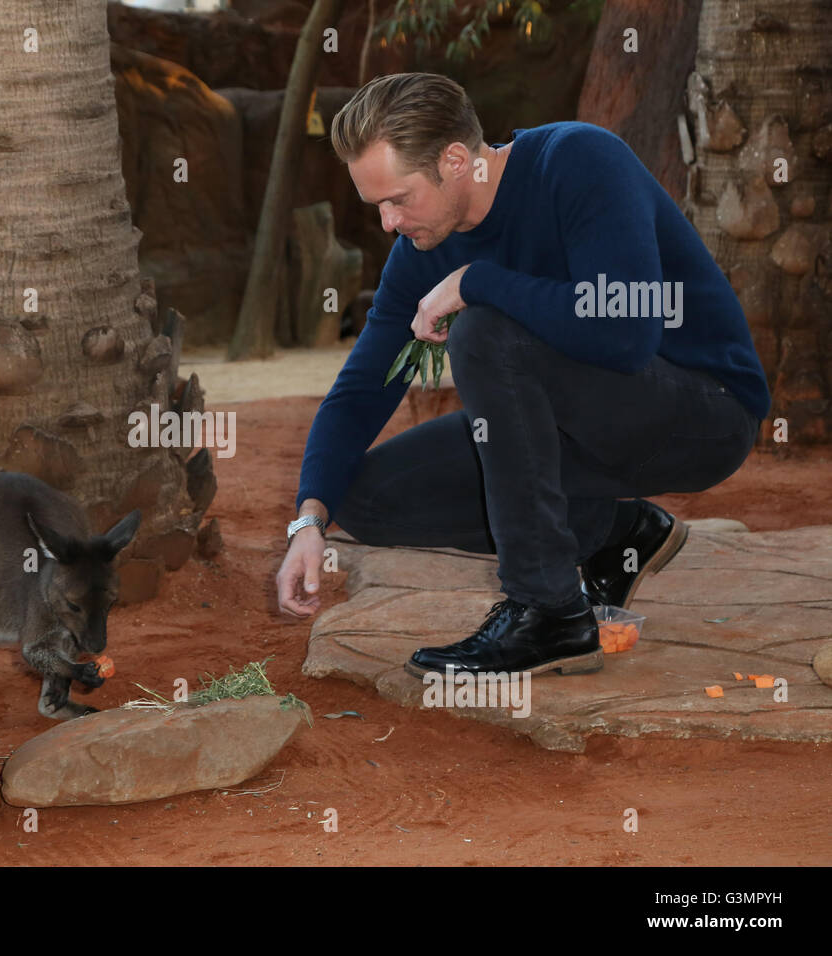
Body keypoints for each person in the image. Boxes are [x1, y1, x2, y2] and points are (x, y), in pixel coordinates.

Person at [275, 73, 769, 678]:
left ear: (455, 160)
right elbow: (360, 389)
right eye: (375, 203)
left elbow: (625, 332)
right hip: (578, 431)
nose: (386, 222)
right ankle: (614, 531)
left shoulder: (579, 161)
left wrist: (475, 281)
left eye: (398, 198)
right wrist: (309, 521)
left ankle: (549, 611)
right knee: (360, 493)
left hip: (702, 411)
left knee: (485, 331)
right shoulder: (422, 249)